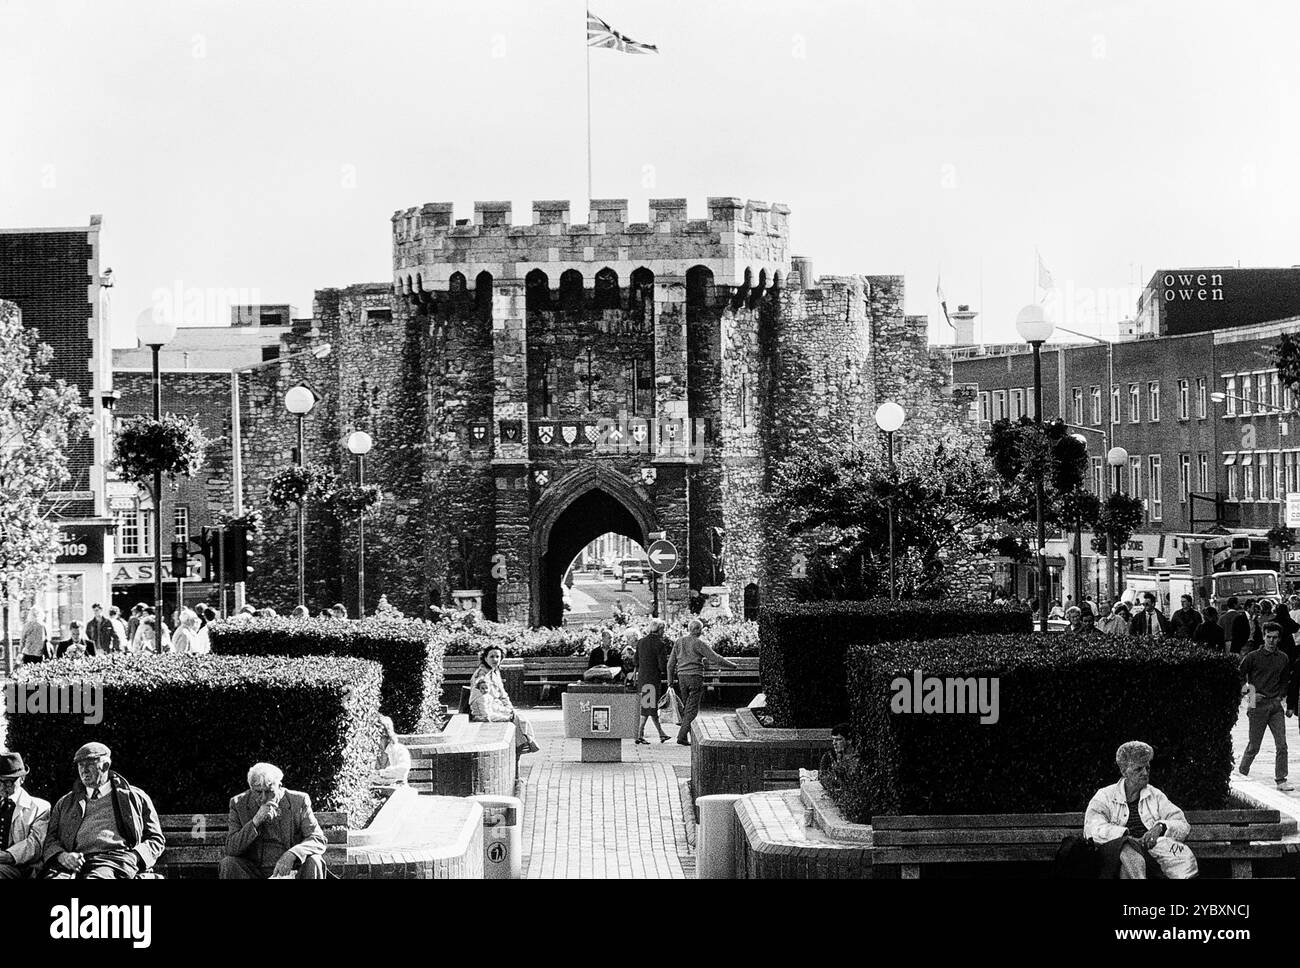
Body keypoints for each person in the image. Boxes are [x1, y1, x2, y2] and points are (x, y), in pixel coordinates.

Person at [42, 743, 165, 879]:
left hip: (113, 861)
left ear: (105, 766)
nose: (84, 770)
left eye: (89, 764)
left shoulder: (134, 797)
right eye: (80, 765)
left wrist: (134, 857)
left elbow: (156, 839)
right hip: (75, 865)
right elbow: (50, 840)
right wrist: (62, 856)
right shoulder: (65, 802)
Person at [1084, 741, 1197, 879]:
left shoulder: (1155, 796)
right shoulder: (1105, 796)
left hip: (1147, 857)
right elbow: (1092, 828)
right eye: (1139, 769)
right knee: (1126, 848)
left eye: (1147, 768)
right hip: (1110, 858)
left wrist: (1160, 827)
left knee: (1128, 867)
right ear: (1124, 771)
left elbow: (1181, 823)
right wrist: (1125, 836)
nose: (1145, 773)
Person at [220, 763, 327, 879]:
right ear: (251, 788)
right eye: (258, 792)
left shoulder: (298, 801)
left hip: (291, 872)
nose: (264, 798)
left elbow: (317, 839)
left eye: (269, 791)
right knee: (229, 863)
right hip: (253, 872)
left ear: (279, 786)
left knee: (314, 860)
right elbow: (231, 848)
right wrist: (255, 822)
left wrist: (292, 854)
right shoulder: (238, 803)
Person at [1238, 623, 1296, 791]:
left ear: (1279, 639)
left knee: (1282, 744)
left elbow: (1285, 679)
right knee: (1254, 745)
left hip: (1275, 704)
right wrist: (1250, 694)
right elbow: (1238, 675)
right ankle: (1242, 774)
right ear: (1263, 636)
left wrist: (1280, 695)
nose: (1271, 640)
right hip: (1257, 703)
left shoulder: (1283, 658)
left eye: (1275, 637)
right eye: (1268, 637)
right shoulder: (1252, 657)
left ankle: (1281, 779)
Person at [668, 618, 740, 746]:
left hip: (682, 678)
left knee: (687, 708)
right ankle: (681, 736)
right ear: (696, 630)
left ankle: (684, 737)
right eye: (700, 629)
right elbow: (715, 658)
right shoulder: (698, 643)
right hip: (695, 677)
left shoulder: (679, 642)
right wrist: (732, 665)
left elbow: (670, 664)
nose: (701, 631)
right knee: (692, 709)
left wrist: (670, 682)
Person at [469, 645, 540, 757]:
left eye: (498, 656)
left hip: (497, 706)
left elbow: (503, 695)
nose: (495, 660)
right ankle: (523, 746)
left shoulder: (495, 672)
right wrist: (505, 711)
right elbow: (482, 699)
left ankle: (523, 745)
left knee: (519, 717)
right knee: (517, 719)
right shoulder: (481, 675)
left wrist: (510, 708)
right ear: (485, 658)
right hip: (487, 709)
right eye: (491, 656)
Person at [0, 753, 49, 879]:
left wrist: (9, 856)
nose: (2, 787)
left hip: (22, 868)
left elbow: (35, 844)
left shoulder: (40, 807)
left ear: (22, 779)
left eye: (8, 782)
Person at [634, 619, 671, 744]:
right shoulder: (659, 644)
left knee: (650, 706)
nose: (664, 632)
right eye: (663, 629)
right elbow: (662, 665)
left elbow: (636, 661)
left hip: (643, 678)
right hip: (653, 678)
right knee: (648, 706)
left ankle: (661, 734)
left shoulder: (641, 642)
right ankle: (639, 734)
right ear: (659, 629)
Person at [818, 723, 858, 792]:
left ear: (849, 740)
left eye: (838, 740)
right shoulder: (829, 756)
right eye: (833, 739)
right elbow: (822, 777)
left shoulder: (858, 758)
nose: (834, 743)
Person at [372, 716, 412, 786]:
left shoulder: (400, 749)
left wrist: (381, 773)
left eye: (379, 734)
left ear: (387, 734)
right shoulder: (370, 752)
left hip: (398, 789)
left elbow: (403, 769)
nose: (375, 738)